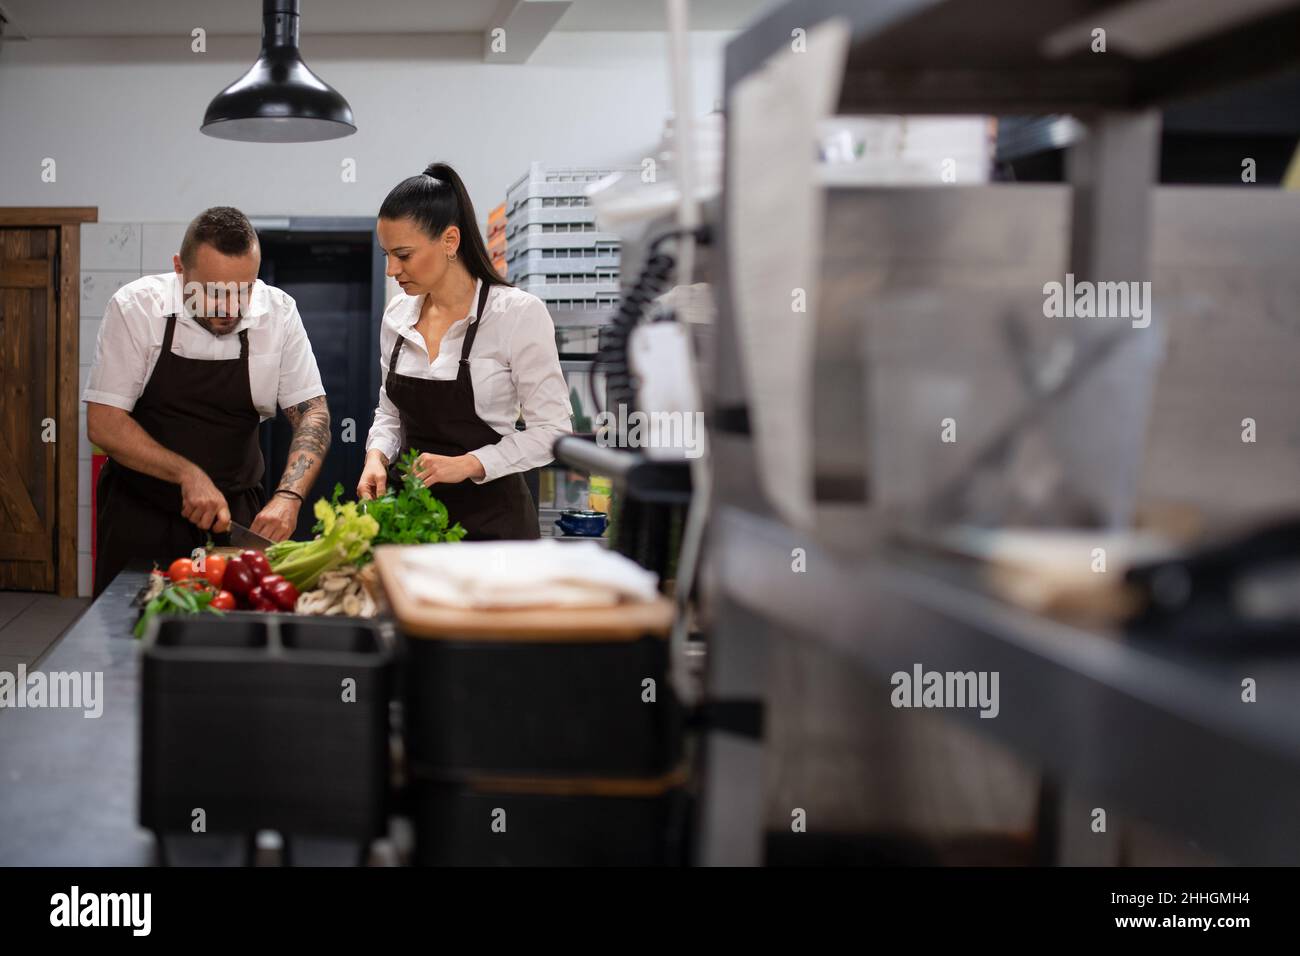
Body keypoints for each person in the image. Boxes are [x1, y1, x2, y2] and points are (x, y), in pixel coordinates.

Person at [84, 206, 330, 595]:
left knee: (235, 635)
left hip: (235, 514)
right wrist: (188, 474)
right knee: (130, 637)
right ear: (180, 268)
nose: (229, 309)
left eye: (245, 291)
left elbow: (312, 413)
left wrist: (289, 495)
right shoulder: (136, 309)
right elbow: (103, 421)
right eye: (214, 292)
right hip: (141, 514)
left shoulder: (278, 314)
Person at [357, 162, 572, 539]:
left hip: (494, 528)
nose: (391, 269)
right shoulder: (397, 316)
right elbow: (390, 412)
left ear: (450, 241)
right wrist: (376, 456)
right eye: (386, 254)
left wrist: (470, 464)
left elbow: (552, 432)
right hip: (415, 522)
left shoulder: (516, 314)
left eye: (403, 255)